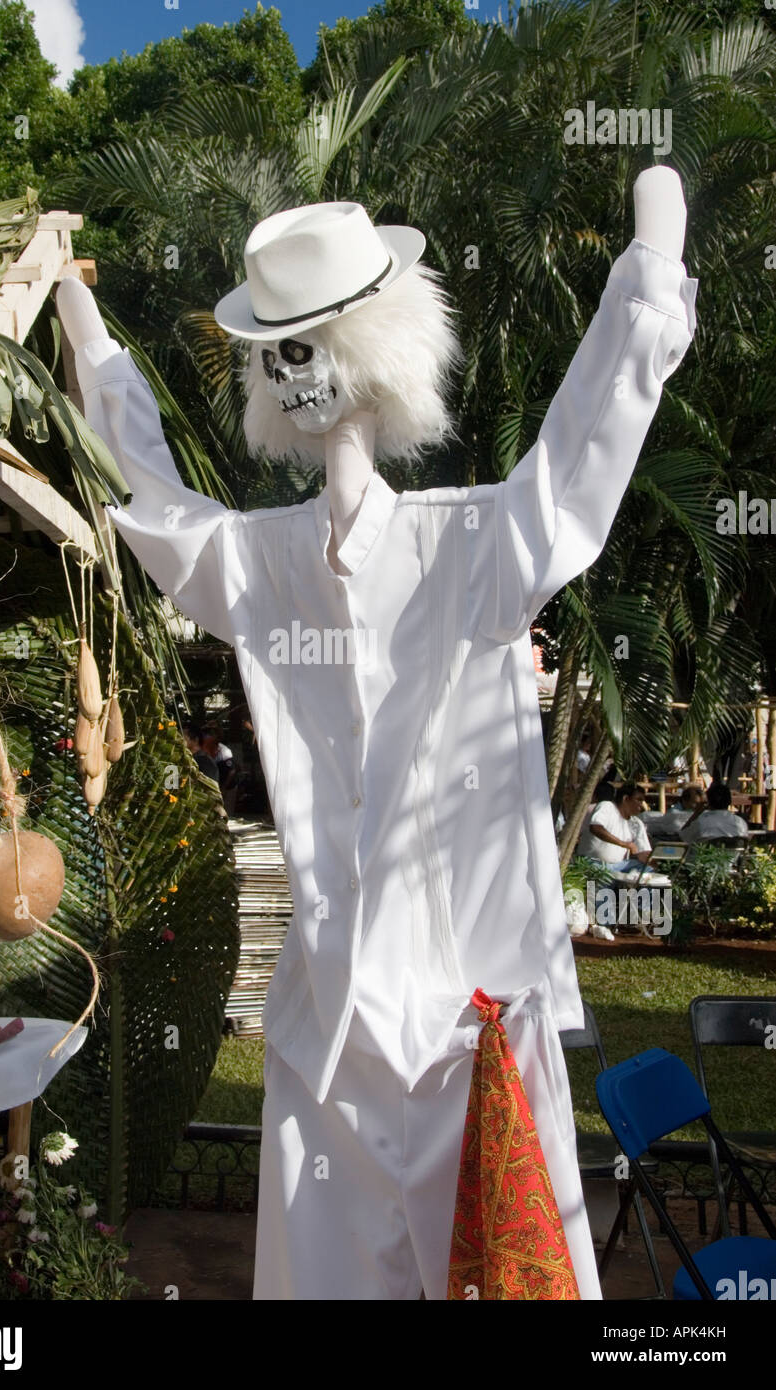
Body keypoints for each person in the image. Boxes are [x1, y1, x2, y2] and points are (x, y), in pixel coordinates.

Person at [58, 168, 696, 1301]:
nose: (296, 371)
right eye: (276, 349)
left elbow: (577, 458)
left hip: (474, 1026)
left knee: (515, 1279)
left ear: (382, 341)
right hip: (329, 1036)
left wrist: (644, 285)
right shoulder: (260, 565)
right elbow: (154, 502)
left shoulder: (474, 545)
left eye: (315, 339)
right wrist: (97, 359)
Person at [584, 782, 654, 871]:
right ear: (625, 798)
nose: (641, 805)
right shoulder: (606, 806)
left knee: (647, 869)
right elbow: (595, 828)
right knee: (591, 884)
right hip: (594, 863)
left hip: (618, 866)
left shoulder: (636, 823)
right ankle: (592, 884)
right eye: (638, 800)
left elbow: (643, 853)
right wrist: (623, 844)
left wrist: (655, 860)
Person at [680, 782, 749, 843]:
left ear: (709, 802)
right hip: (734, 857)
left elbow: (682, 837)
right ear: (730, 802)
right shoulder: (740, 823)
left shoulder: (701, 822)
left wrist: (696, 814)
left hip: (707, 857)